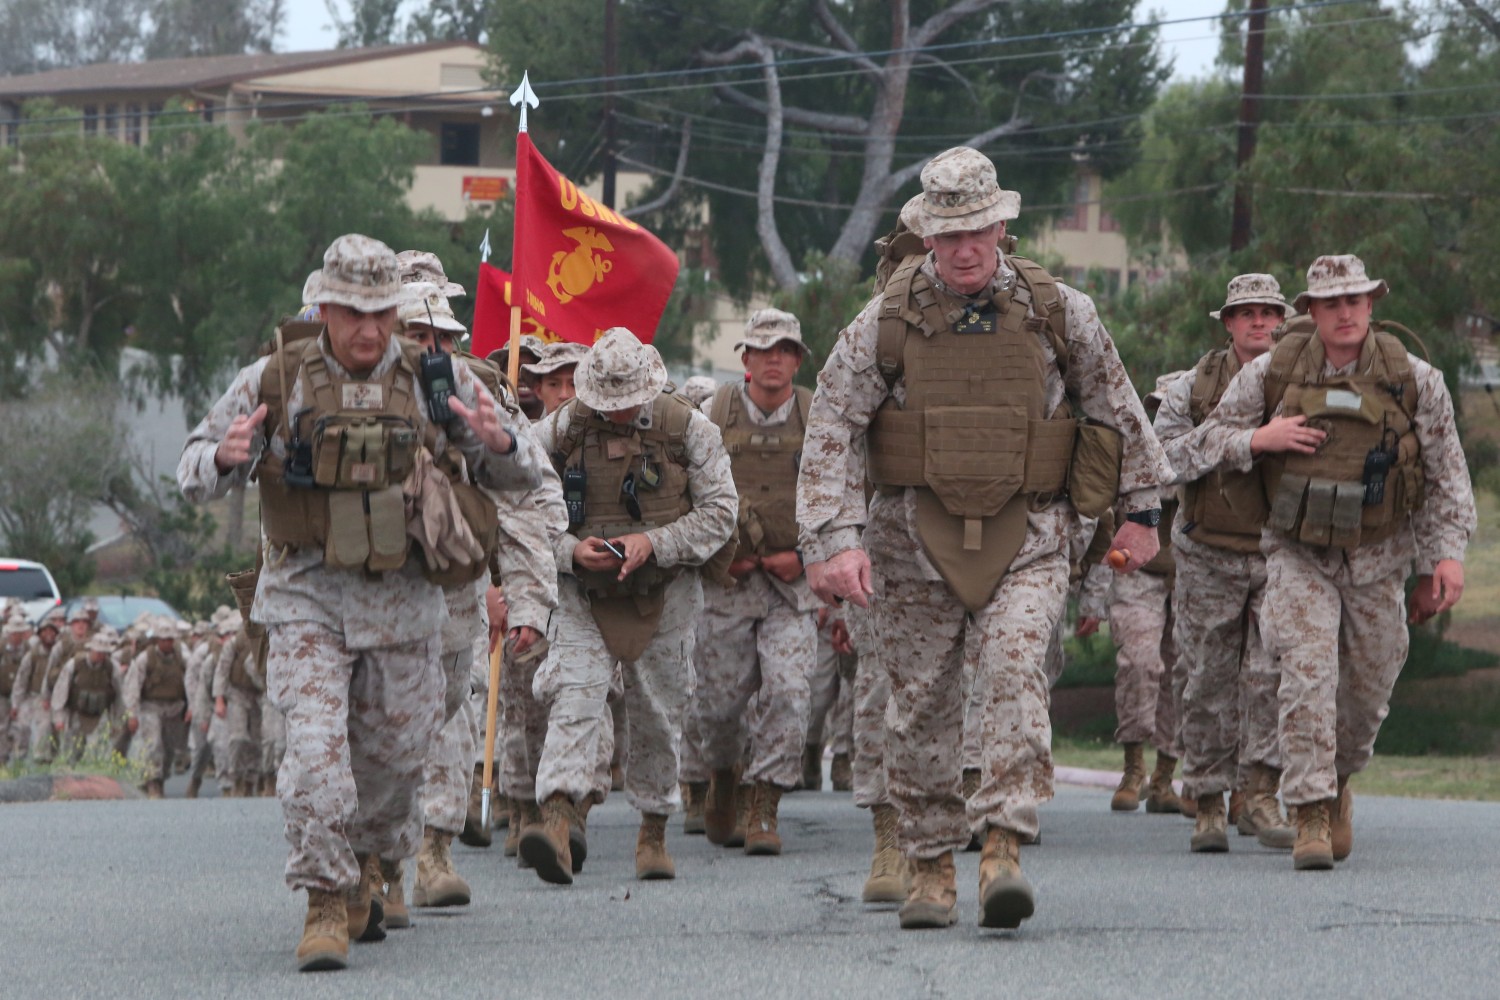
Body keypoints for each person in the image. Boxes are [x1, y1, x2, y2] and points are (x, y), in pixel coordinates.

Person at [797, 146, 1171, 930]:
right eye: (947, 235)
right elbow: (831, 422)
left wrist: (1142, 515)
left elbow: (1117, 412)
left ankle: (1002, 842)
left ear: (1002, 225)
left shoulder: (1059, 311)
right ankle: (931, 864)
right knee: (920, 705)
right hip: (909, 542)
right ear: (926, 236)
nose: (965, 250)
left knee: (1012, 669)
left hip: (1031, 533)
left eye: (978, 231)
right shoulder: (887, 322)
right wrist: (836, 539)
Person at [177, 233, 544, 971]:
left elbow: (525, 473)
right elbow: (192, 469)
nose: (368, 329)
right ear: (326, 308)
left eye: (380, 312)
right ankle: (322, 900)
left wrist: (497, 444)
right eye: (352, 312)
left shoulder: (434, 383)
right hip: (307, 598)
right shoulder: (277, 377)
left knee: (397, 763)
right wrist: (224, 457)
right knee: (316, 757)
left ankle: (373, 859)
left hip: (405, 603)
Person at [1195, 255, 1475, 869]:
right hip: (1298, 554)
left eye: (1355, 300)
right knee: (1306, 670)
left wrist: (1444, 560)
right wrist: (1258, 440)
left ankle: (1340, 778)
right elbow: (1198, 446)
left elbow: (1446, 476)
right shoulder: (1274, 372)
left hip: (1379, 557)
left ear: (1372, 303)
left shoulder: (1414, 379)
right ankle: (1311, 812)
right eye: (1331, 303)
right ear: (1312, 313)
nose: (1345, 312)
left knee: (1367, 692)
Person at [522, 328, 737, 884]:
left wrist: (654, 543)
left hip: (664, 593)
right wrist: (569, 551)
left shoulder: (690, 428)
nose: (616, 414)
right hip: (582, 593)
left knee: (659, 712)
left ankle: (654, 827)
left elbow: (721, 514)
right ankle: (558, 818)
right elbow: (518, 503)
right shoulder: (563, 428)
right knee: (574, 691)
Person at [1152, 274, 1295, 850]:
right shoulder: (1191, 387)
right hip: (1208, 552)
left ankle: (1258, 794)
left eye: (1268, 312)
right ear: (1228, 323)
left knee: (1271, 678)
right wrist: (1250, 441)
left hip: (1281, 550)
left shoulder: (1301, 379)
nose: (1258, 322)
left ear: (1282, 320)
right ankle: (1208, 797)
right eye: (1246, 313)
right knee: (1207, 679)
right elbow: (1162, 457)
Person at [692, 308, 817, 856]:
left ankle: (765, 802)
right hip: (727, 586)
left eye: (784, 350)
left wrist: (807, 560)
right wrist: (720, 560)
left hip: (792, 589)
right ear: (744, 359)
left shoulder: (817, 417)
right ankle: (722, 775)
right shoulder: (711, 416)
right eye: (763, 350)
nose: (774, 359)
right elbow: (684, 499)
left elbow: (842, 499)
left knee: (790, 692)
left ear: (796, 359)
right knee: (718, 706)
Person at [122, 618, 190, 798]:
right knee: (153, 744)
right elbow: (133, 687)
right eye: (163, 639)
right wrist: (132, 714)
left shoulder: (182, 656)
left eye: (170, 639)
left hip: (174, 708)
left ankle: (160, 780)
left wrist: (191, 706)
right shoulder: (146, 658)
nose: (167, 643)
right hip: (150, 707)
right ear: (157, 640)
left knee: (168, 749)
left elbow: (191, 681)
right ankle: (152, 782)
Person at [50, 629, 122, 762]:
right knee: (71, 753)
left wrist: (116, 721)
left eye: (104, 653)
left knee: (96, 753)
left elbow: (119, 696)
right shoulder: (74, 665)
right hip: (76, 714)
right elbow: (60, 692)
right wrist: (58, 718)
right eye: (98, 652)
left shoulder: (112, 668)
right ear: (91, 650)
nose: (101, 655)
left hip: (100, 716)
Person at [11, 612, 64, 764]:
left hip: (58, 698)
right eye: (45, 631)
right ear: (39, 634)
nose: (49, 634)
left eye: (52, 631)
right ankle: (30, 759)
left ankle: (51, 760)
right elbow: (21, 680)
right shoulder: (32, 655)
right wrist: (16, 703)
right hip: (36, 697)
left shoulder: (60, 653)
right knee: (33, 727)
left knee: (55, 730)